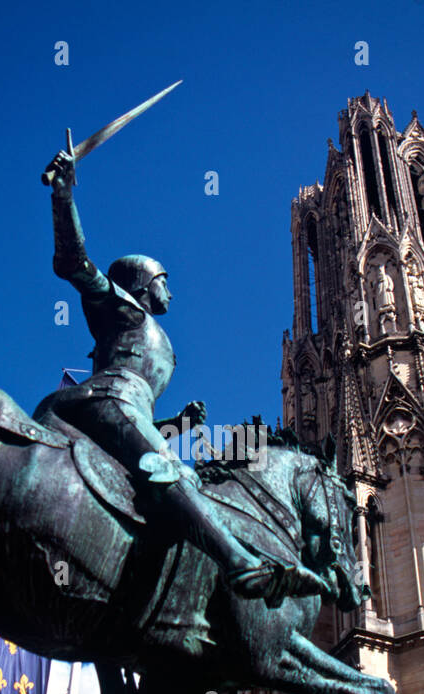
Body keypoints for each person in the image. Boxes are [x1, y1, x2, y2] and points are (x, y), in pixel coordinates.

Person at [43, 150, 327, 605]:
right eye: (163, 279)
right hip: (104, 398)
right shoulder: (119, 307)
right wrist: (64, 196)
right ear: (142, 283)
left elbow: (134, 432)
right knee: (176, 473)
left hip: (116, 409)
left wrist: (179, 424)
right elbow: (74, 264)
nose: (170, 289)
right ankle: (240, 563)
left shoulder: (151, 335)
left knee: (159, 480)